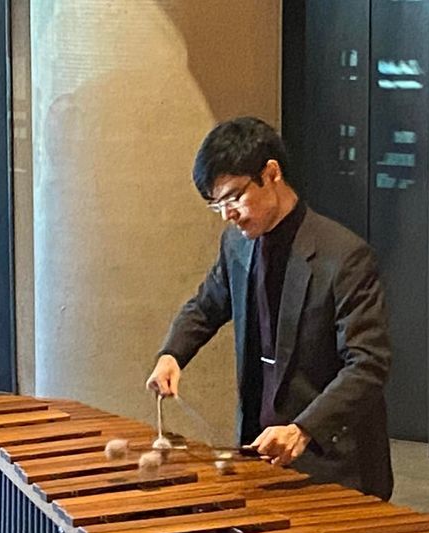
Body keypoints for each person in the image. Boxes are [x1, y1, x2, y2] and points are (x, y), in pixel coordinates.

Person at [146, 117, 393, 500]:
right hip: (259, 453)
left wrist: (304, 428)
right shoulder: (238, 245)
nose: (228, 214)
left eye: (234, 197)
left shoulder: (343, 257)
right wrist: (171, 355)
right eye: (217, 205)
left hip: (334, 464)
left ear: (271, 173)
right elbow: (206, 305)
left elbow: (367, 364)